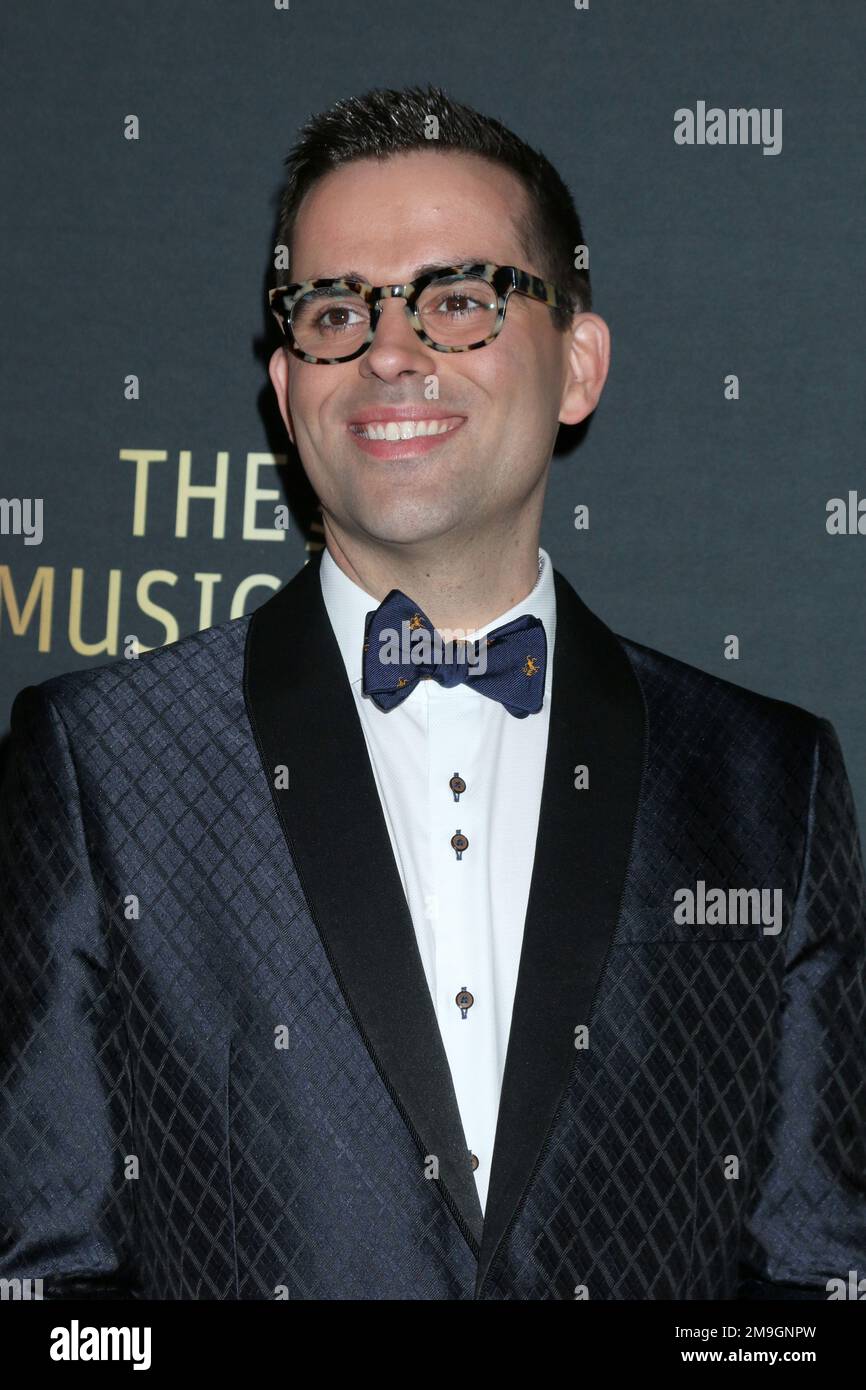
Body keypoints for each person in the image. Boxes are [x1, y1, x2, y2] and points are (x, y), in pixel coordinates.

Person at [1, 84, 864, 1301]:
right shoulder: (99, 763)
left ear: (576, 366)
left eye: (457, 301)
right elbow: (48, 1286)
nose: (388, 350)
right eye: (335, 308)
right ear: (287, 383)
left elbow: (816, 1277)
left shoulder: (764, 781)